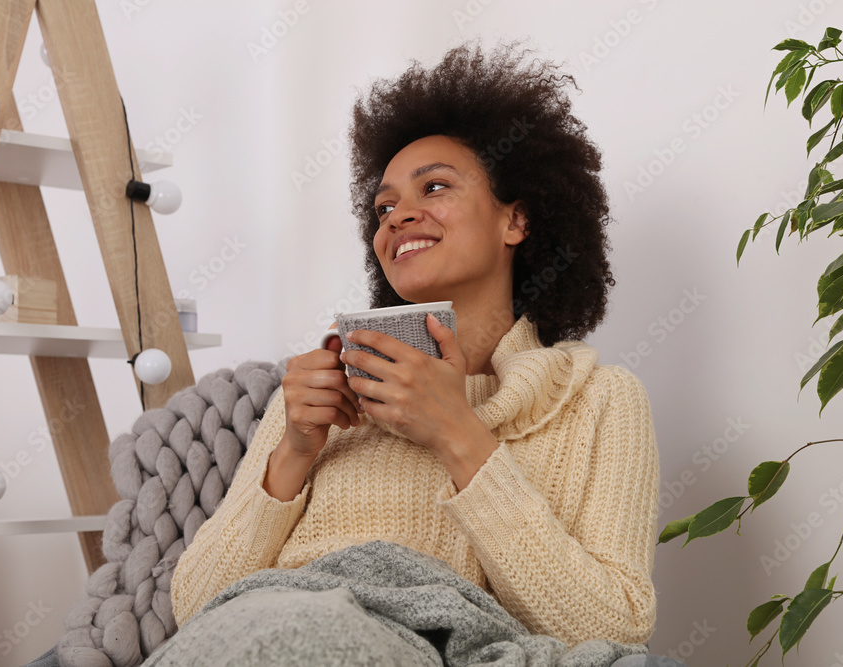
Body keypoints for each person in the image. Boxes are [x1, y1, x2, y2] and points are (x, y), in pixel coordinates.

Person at [167, 41, 663, 663]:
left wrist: (458, 434)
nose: (398, 217)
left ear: (517, 221)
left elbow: (612, 629)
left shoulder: (598, 401)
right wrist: (293, 451)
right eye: (384, 206)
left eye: (434, 187)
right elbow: (196, 612)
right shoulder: (318, 400)